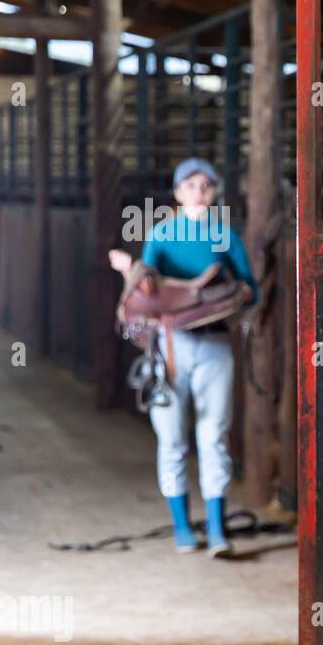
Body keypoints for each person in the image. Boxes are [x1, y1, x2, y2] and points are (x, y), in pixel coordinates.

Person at [108, 158, 258, 557]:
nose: (198, 191)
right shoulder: (161, 235)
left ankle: (216, 528)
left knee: (214, 436)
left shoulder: (225, 236)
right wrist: (130, 271)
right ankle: (181, 528)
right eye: (190, 185)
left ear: (213, 192)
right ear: (177, 192)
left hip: (214, 344)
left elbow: (250, 289)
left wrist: (228, 296)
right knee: (172, 438)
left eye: (206, 185)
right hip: (170, 345)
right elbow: (147, 291)